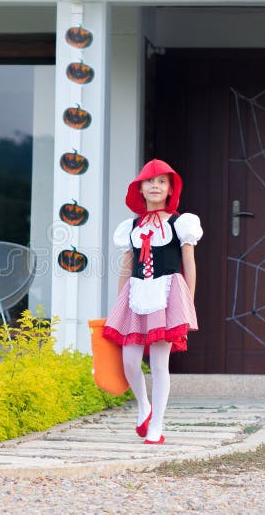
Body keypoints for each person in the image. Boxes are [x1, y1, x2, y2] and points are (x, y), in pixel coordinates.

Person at [104, 159, 202, 444]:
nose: (155, 185)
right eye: (150, 181)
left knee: (160, 362)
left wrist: (188, 303)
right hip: (136, 295)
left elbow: (189, 263)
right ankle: (144, 405)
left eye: (162, 181)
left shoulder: (180, 224)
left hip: (167, 293)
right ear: (140, 189)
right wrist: (119, 303)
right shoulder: (130, 227)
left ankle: (157, 424)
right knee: (130, 361)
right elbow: (127, 265)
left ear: (171, 188)